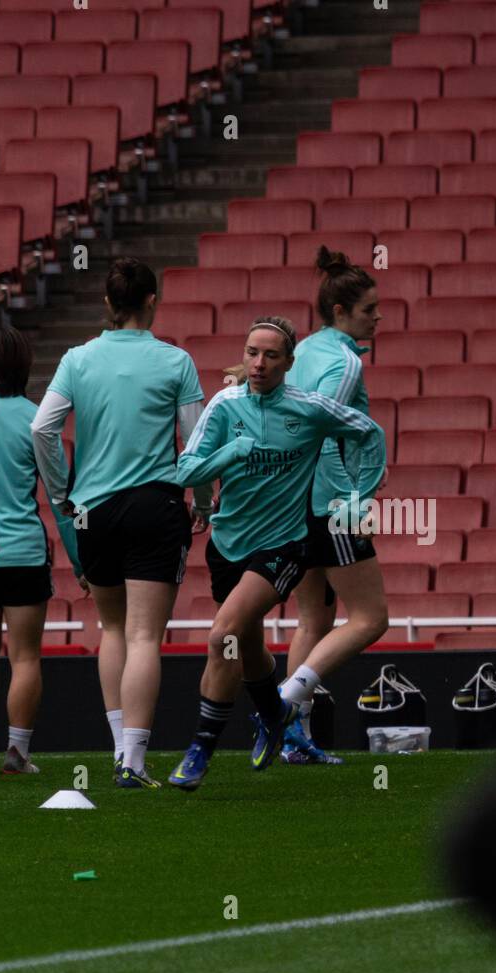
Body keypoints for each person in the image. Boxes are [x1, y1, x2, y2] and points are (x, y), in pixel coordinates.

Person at [168, 315, 386, 792]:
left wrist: (359, 494)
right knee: (245, 644)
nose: (259, 363)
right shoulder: (225, 406)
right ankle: (275, 711)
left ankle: (199, 750)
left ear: (289, 362)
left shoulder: (309, 409)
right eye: (252, 353)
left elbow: (368, 432)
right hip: (228, 545)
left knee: (221, 635)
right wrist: (229, 456)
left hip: (283, 545)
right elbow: (184, 470)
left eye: (270, 355)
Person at [32, 257, 211, 789]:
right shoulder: (175, 361)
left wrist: (63, 493)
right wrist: (202, 501)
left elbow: (43, 427)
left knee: (111, 628)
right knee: (143, 636)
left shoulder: (77, 359)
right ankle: (132, 759)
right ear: (152, 300)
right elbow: (195, 440)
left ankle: (119, 750)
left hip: (94, 509)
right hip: (155, 505)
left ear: (109, 304)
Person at [279, 246, 390, 764]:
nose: (378, 316)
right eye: (369, 309)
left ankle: (293, 739)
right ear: (341, 312)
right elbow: (321, 430)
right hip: (329, 500)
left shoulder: (302, 350)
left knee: (312, 621)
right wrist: (353, 496)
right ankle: (283, 703)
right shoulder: (343, 362)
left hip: (291, 502)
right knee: (371, 618)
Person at [0, 326, 83, 774]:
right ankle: (17, 752)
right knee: (24, 655)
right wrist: (79, 562)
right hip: (24, 552)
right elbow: (61, 501)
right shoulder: (37, 418)